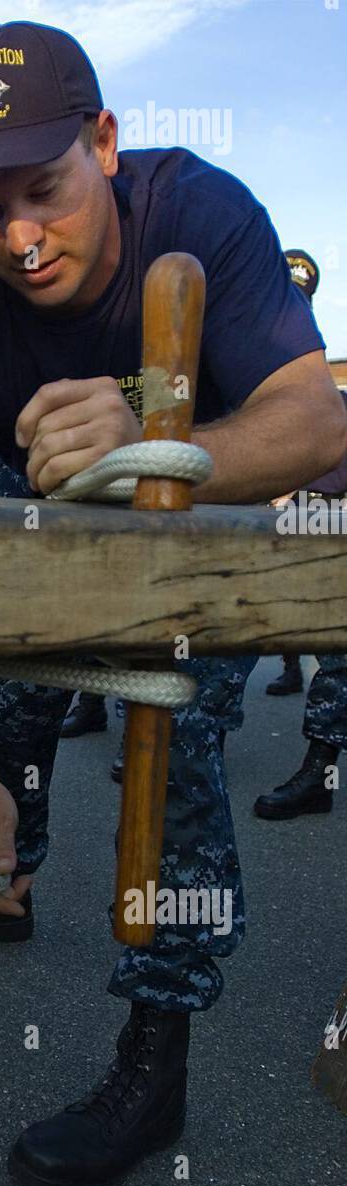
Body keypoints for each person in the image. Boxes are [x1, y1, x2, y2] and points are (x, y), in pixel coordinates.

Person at [0, 20, 346, 1186]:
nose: (19, 239)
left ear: (104, 143)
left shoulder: (199, 217)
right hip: (54, 535)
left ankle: (153, 1055)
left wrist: (158, 449)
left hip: (224, 528)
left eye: (45, 192)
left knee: (169, 758)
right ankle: (0, 883)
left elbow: (316, 420)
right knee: (5, 708)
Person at [252, 251, 347, 819]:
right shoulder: (248, 341)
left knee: (337, 648)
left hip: (328, 509)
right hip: (284, 507)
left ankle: (320, 772)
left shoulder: (310, 364)